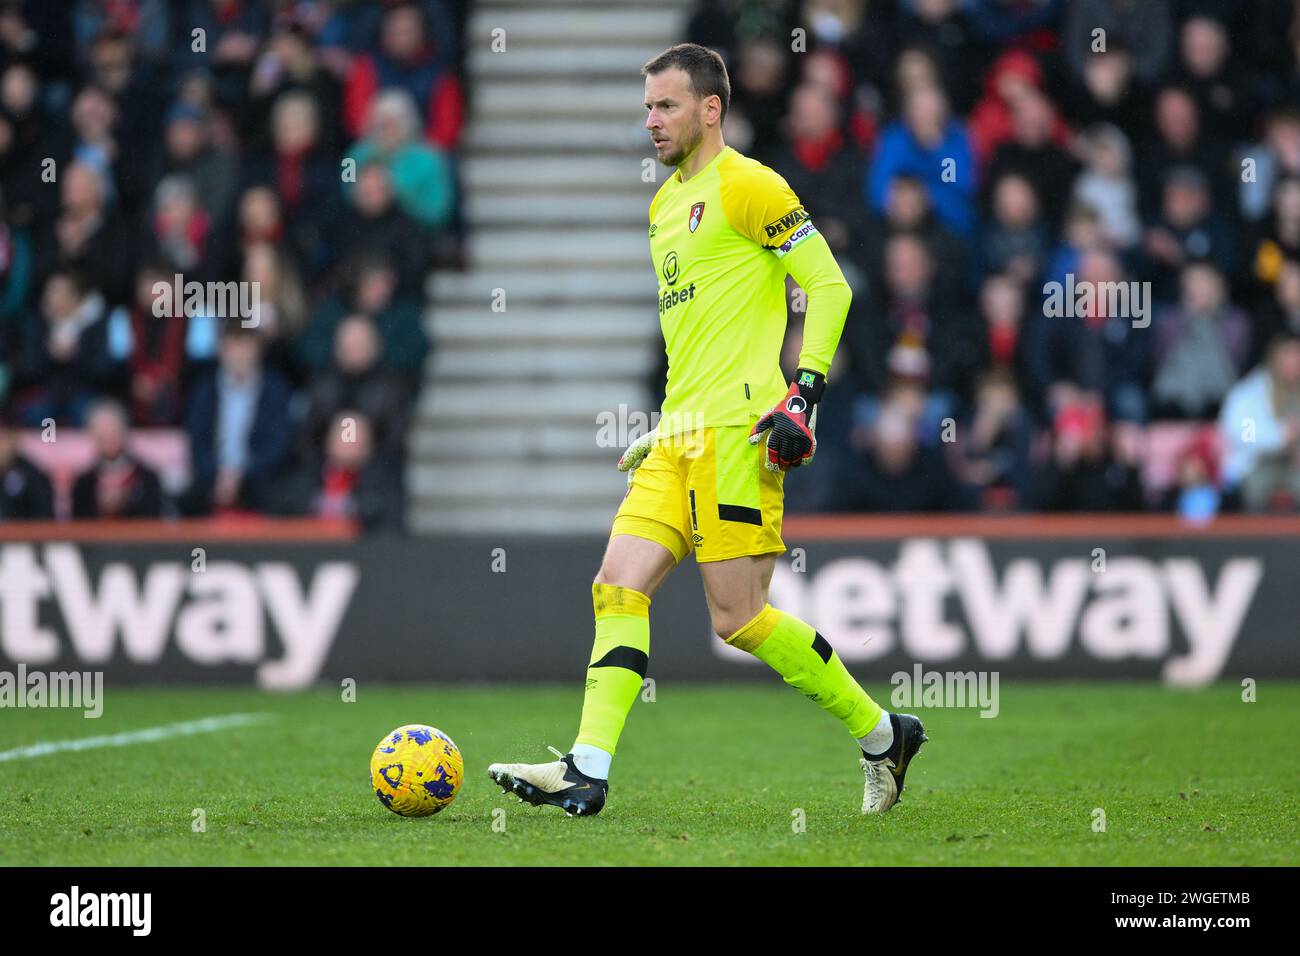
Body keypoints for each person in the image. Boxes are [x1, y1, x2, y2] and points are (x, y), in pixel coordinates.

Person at [487, 44, 927, 819]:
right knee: (616, 583)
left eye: (666, 106)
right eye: (647, 106)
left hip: (739, 433)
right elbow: (696, 340)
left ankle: (882, 732)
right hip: (679, 435)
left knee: (739, 619)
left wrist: (805, 395)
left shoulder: (750, 185)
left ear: (710, 108)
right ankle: (587, 769)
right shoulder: (662, 207)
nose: (650, 120)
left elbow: (827, 286)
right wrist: (662, 427)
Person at [71, 399, 164, 519]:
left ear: (124, 432)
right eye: (102, 435)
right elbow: (77, 525)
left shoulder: (147, 478)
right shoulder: (84, 483)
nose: (108, 439)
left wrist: (127, 503)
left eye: (112, 432)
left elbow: (154, 518)